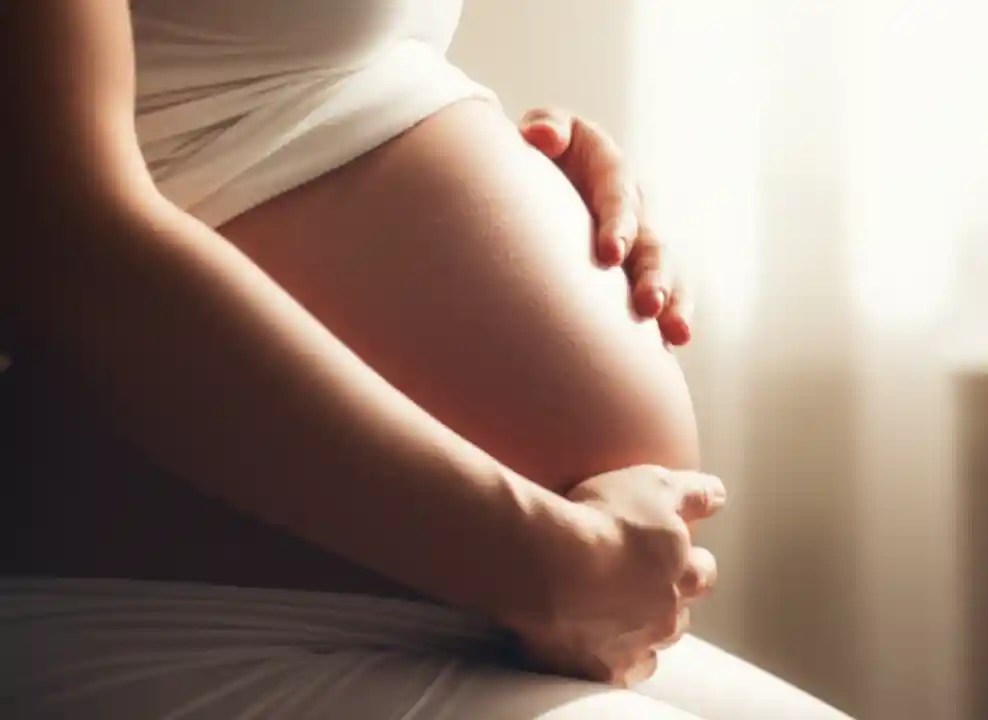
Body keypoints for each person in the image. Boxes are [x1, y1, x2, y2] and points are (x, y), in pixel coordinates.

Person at [0, 2, 852, 717]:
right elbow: (63, 243)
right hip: (170, 613)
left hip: (467, 596)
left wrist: (506, 145)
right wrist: (548, 564)